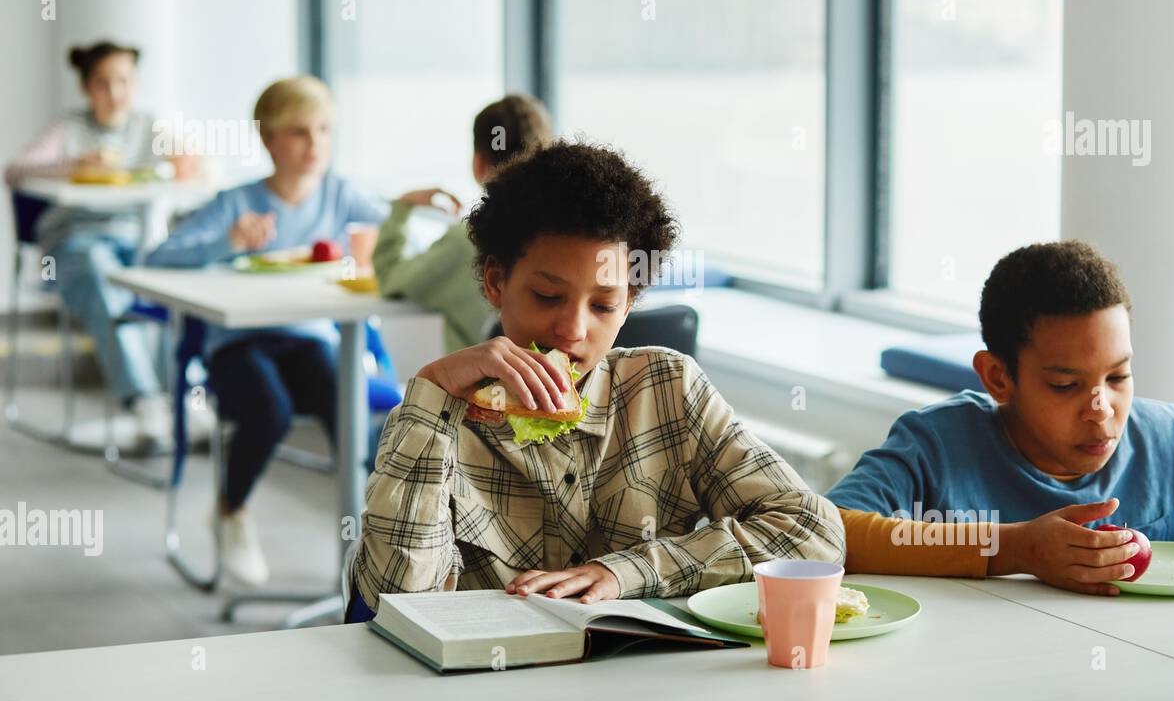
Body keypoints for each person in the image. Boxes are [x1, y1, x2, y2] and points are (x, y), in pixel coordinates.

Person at [347, 140, 844, 620]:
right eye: (546, 296)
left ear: (628, 305)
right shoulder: (435, 416)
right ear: (497, 282)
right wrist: (432, 390)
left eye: (604, 305)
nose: (573, 330)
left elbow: (813, 531)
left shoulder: (668, 388)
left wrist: (629, 572)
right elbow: (393, 602)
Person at [829, 240, 1174, 596]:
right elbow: (829, 530)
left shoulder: (1167, 443)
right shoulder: (937, 444)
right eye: (1064, 385)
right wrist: (1014, 549)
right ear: (998, 378)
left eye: (1118, 376)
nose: (1101, 410)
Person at [147, 76, 389, 586]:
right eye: (299, 131)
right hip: (239, 342)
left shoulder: (341, 196)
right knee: (269, 411)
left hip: (311, 339)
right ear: (268, 138)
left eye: (324, 129)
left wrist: (411, 208)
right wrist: (225, 243)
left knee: (345, 406)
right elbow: (158, 257)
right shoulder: (237, 203)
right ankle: (230, 511)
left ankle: (377, 542)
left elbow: (394, 233)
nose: (316, 143)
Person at [4, 41, 170, 441]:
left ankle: (179, 394)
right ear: (86, 87)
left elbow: (194, 165)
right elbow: (15, 171)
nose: (114, 93)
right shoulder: (68, 129)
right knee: (101, 271)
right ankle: (144, 398)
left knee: (174, 275)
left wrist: (186, 162)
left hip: (135, 239)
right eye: (102, 83)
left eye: (123, 82)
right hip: (74, 243)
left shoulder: (150, 128)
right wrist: (73, 166)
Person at [373, 93, 552, 355]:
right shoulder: (572, 238)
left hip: (480, 392)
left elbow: (391, 281)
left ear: (479, 163)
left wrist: (402, 209)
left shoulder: (468, 240)